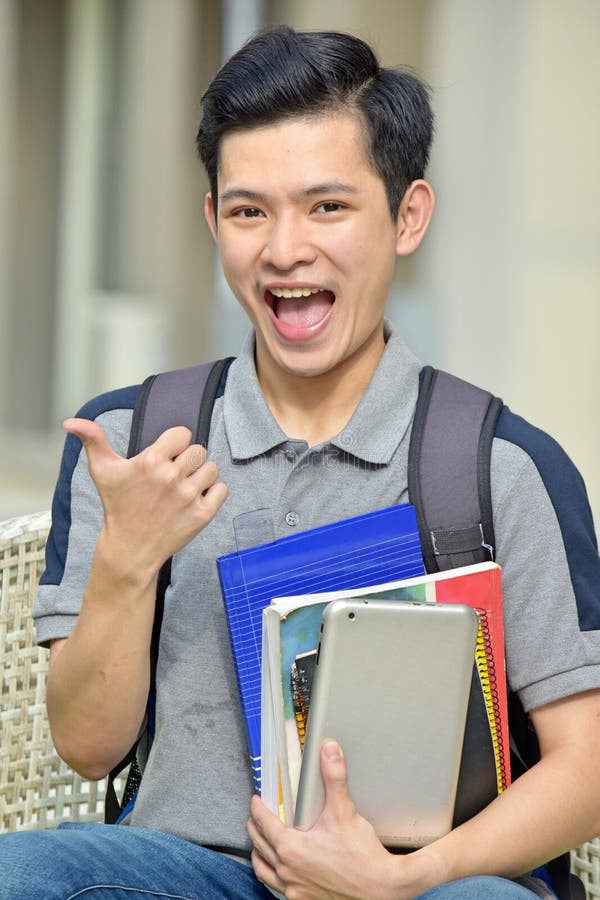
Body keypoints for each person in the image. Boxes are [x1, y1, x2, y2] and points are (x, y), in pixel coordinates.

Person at [2, 23, 600, 900]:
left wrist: (404, 878)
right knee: (23, 874)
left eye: (327, 207)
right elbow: (88, 747)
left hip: (426, 882)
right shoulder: (130, 443)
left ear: (407, 216)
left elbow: (588, 765)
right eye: (250, 211)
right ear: (214, 220)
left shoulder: (503, 468)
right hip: (187, 874)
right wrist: (127, 561)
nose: (284, 250)